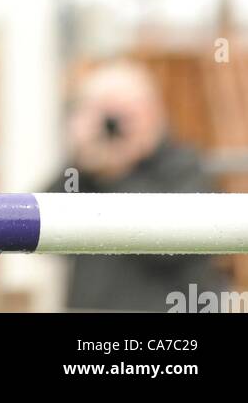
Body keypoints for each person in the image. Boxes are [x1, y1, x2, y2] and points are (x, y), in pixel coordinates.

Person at [47, 61, 231, 312]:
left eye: (125, 111)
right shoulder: (88, 172)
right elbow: (47, 230)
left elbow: (174, 243)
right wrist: (82, 158)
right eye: (105, 113)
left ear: (154, 111)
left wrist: (116, 174)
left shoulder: (183, 166)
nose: (115, 125)